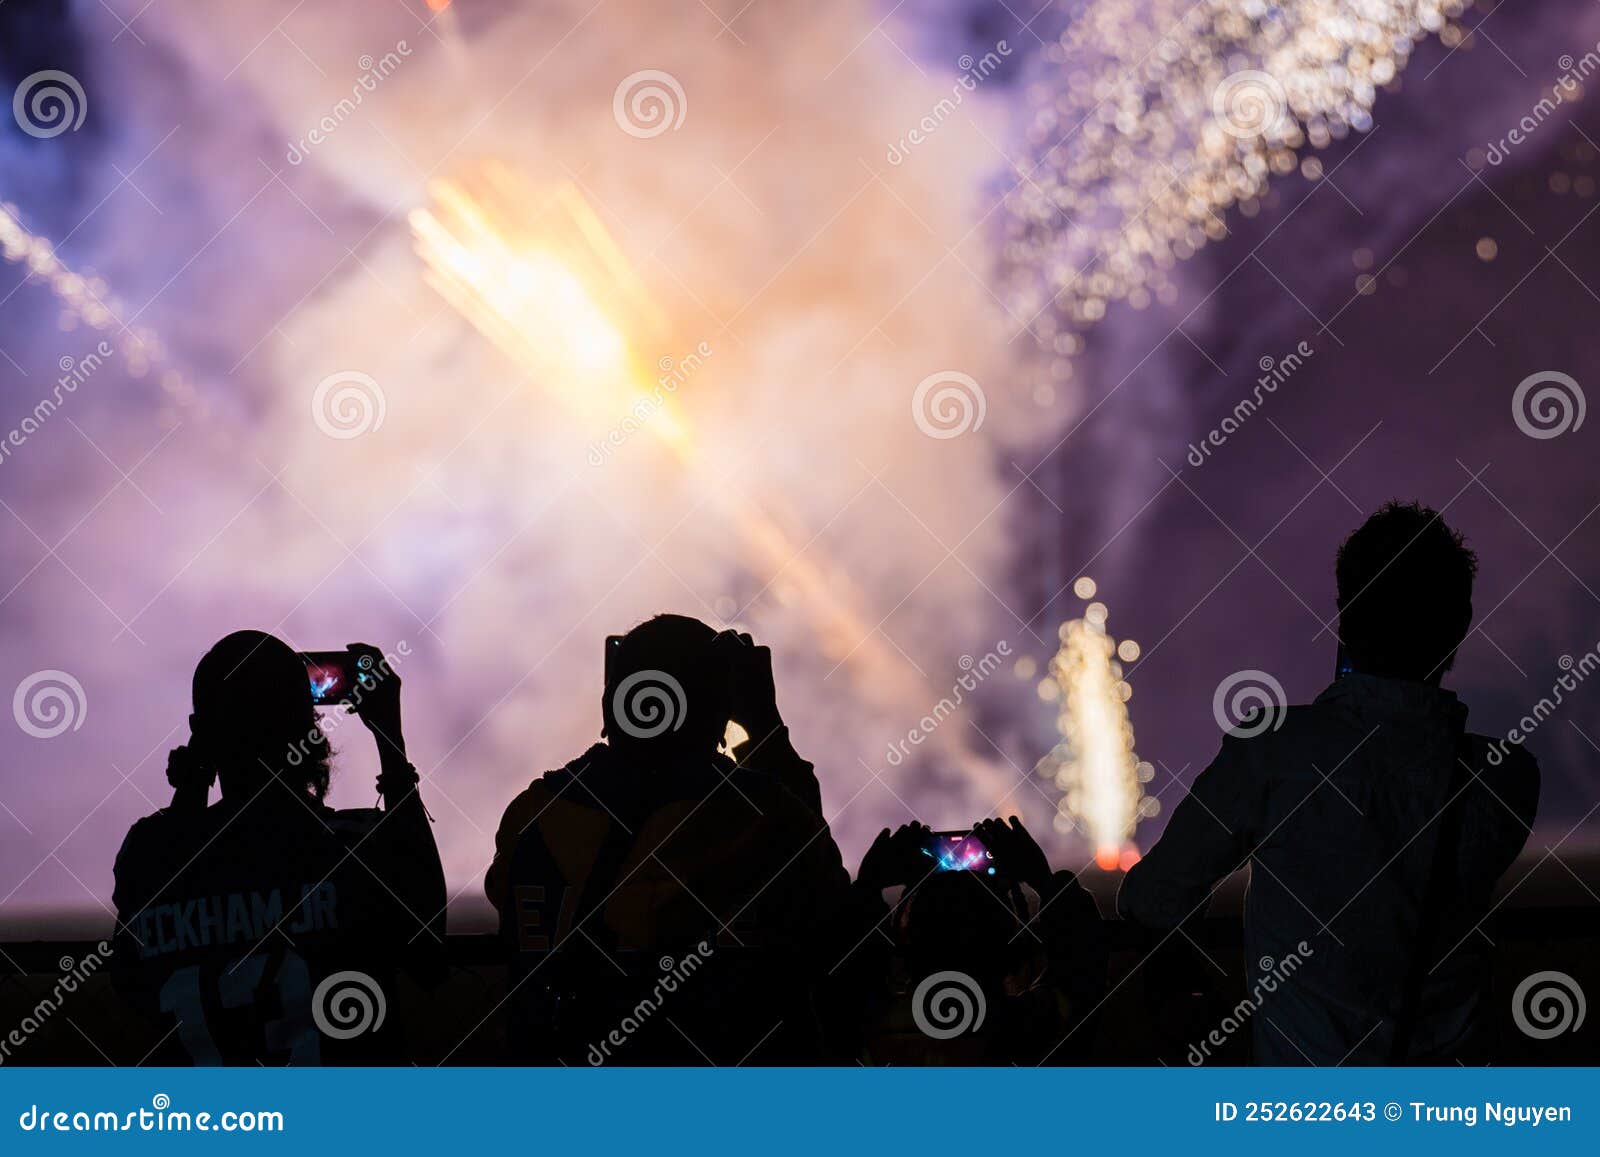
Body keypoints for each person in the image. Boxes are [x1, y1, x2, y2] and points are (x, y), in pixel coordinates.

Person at [1119, 502, 1539, 1064]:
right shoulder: (1507, 779)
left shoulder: (1272, 752)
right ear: (1460, 623)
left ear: (1344, 616)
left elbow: (1151, 899)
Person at [485, 615, 851, 1064]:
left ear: (611, 703)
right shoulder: (757, 815)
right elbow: (829, 912)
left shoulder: (533, 814)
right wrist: (765, 724)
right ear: (720, 708)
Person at [110, 631, 445, 1064]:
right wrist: (389, 739)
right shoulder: (356, 847)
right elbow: (429, 957)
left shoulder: (150, 853)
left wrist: (193, 783)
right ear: (309, 727)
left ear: (202, 734)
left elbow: (133, 982)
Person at [850, 817, 1107, 1064]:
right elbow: (1083, 958)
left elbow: (843, 968)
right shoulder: (1034, 1027)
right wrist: (1043, 878)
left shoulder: (865, 1026)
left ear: (906, 951)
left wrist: (868, 885)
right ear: (1010, 953)